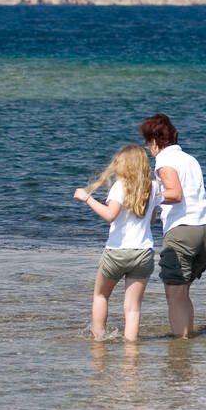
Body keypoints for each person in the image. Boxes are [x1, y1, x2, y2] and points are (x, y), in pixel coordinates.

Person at [74, 144, 163, 342]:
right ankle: (131, 351)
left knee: (101, 296)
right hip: (143, 252)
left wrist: (87, 198)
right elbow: (152, 220)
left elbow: (110, 215)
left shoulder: (119, 186)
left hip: (117, 252)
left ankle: (99, 340)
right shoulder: (155, 186)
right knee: (132, 307)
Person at [139, 114, 206, 338]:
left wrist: (148, 196)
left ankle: (180, 349)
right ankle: (187, 339)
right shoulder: (190, 159)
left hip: (183, 232)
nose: (148, 148)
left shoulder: (164, 160)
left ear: (154, 141)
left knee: (174, 295)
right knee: (183, 294)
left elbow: (174, 193)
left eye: (147, 143)